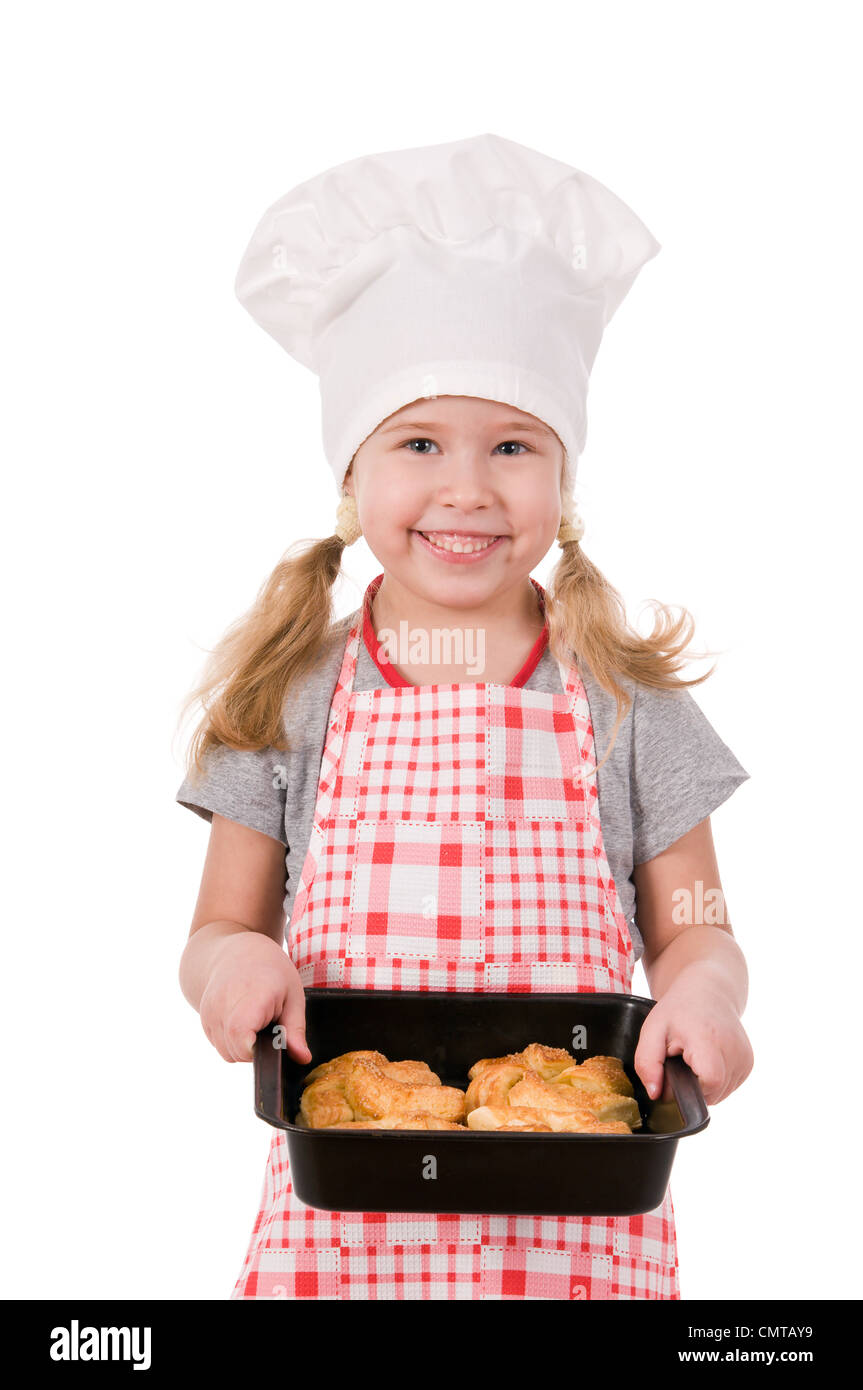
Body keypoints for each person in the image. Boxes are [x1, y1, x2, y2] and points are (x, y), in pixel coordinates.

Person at [175, 133, 753, 1300]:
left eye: (513, 446)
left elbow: (691, 920)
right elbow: (218, 928)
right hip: (345, 1228)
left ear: (563, 479)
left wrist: (703, 990)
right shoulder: (287, 695)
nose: (467, 489)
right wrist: (231, 969)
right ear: (352, 474)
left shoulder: (623, 699)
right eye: (418, 442)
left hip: (580, 1229)